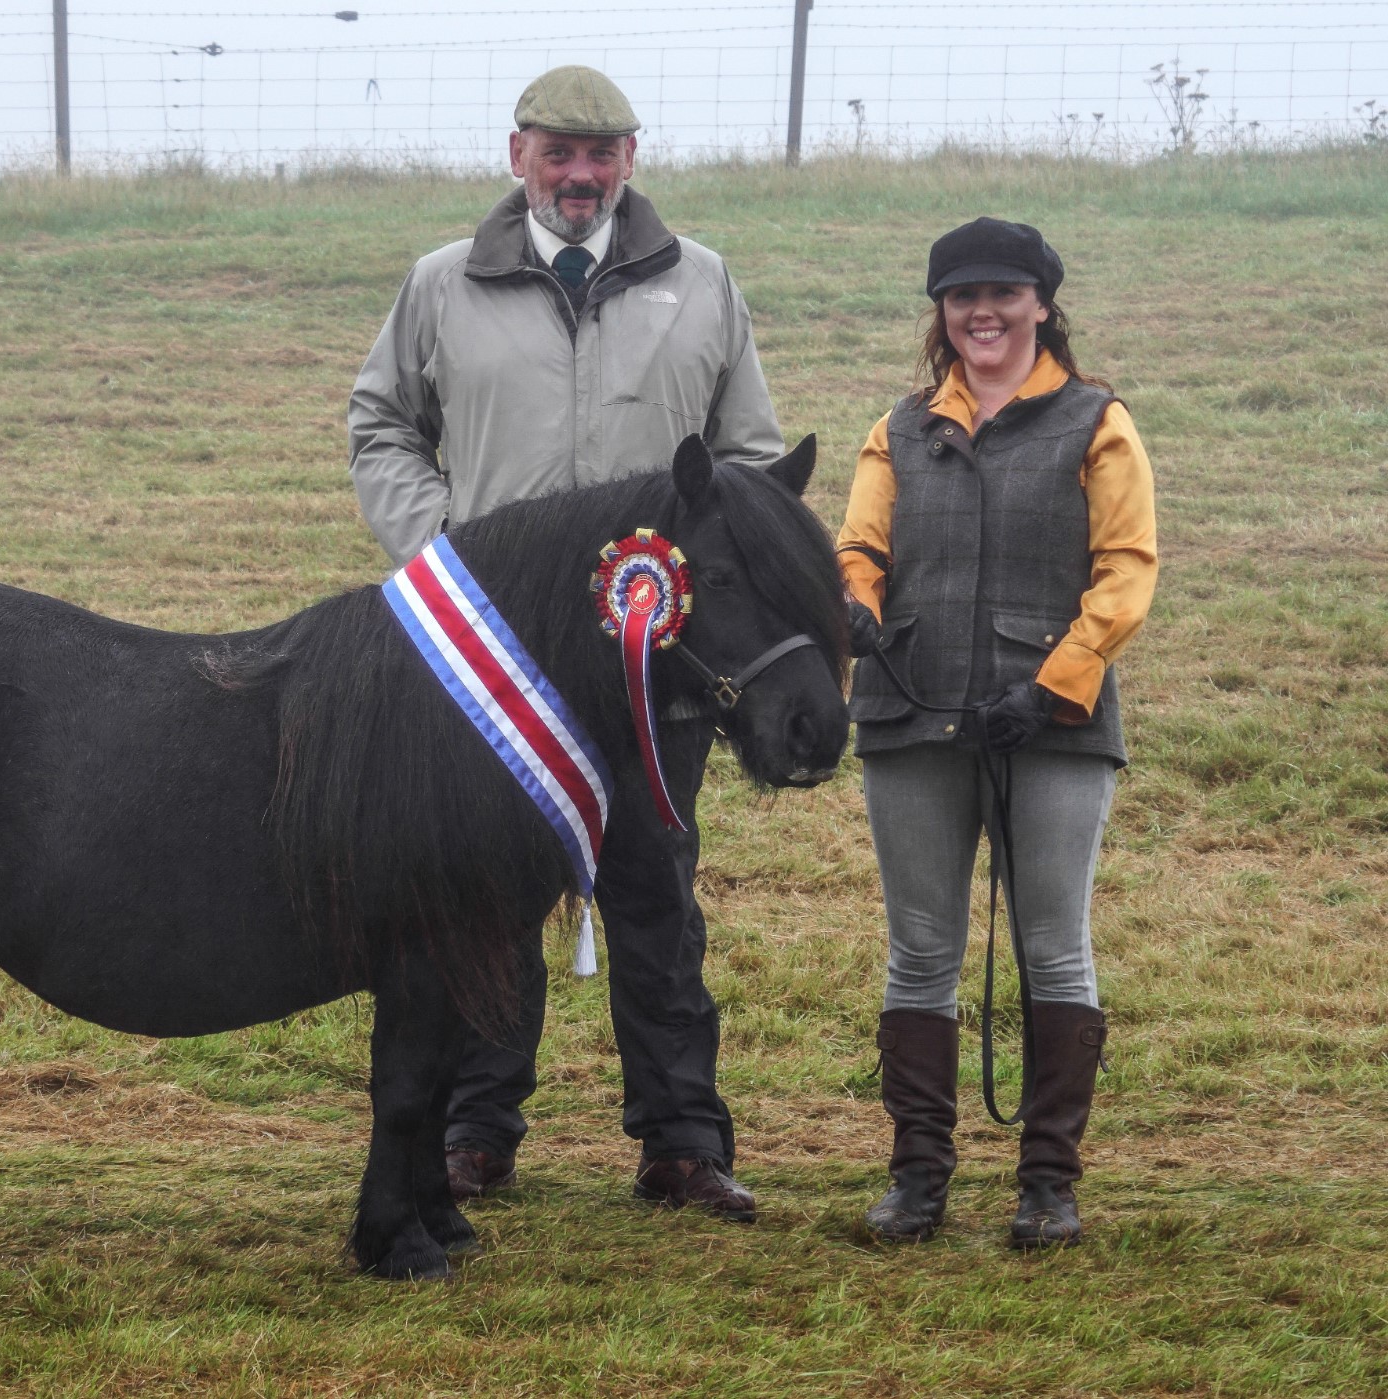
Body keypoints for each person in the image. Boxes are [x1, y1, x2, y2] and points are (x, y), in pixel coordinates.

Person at [348, 65, 785, 1218]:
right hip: (497, 663)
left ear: (630, 160)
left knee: (655, 894)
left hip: (658, 664)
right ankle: (473, 1131)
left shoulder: (703, 285)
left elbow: (746, 459)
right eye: (557, 153)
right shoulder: (442, 286)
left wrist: (701, 579)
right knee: (485, 899)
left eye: (600, 154)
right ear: (517, 156)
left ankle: (681, 1143)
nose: (579, 174)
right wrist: (438, 546)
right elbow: (380, 422)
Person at [837, 217, 1157, 1247]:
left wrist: (1054, 685)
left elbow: (1125, 571)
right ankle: (916, 1178)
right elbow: (856, 548)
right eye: (960, 294)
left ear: (1039, 304)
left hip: (1050, 730)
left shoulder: (1095, 421)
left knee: (1052, 950)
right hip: (909, 716)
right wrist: (856, 609)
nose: (981, 310)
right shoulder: (896, 426)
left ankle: (1047, 1189)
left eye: (1002, 292)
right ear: (939, 311)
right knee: (918, 952)